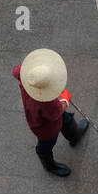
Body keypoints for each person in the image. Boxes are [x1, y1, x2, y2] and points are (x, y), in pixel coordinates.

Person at [14, 48, 89, 177]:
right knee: (46, 145)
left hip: (46, 114)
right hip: (46, 127)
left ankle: (74, 136)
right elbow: (56, 112)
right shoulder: (45, 102)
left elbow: (16, 71)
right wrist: (65, 99)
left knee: (67, 121)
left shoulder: (26, 74)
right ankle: (49, 165)